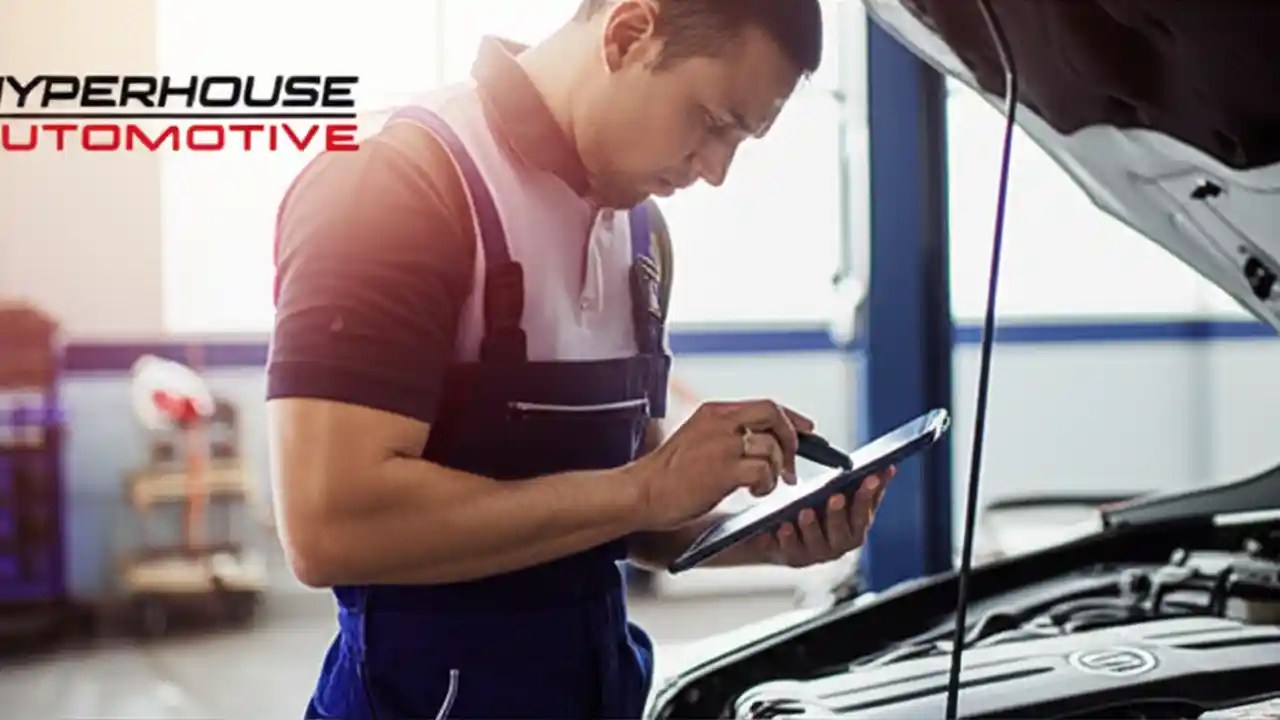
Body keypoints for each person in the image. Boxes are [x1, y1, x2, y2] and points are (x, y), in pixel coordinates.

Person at [266, 1, 893, 718]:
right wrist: (644, 489)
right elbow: (329, 527)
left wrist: (768, 535)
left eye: (741, 140)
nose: (716, 171)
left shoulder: (642, 238)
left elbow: (635, 525)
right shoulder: (394, 186)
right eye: (713, 121)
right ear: (628, 34)